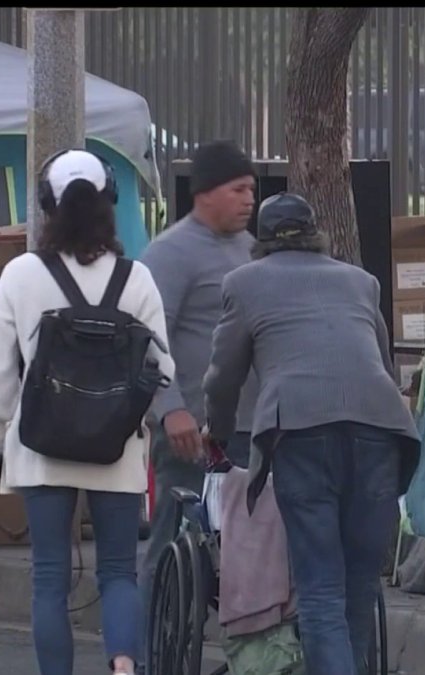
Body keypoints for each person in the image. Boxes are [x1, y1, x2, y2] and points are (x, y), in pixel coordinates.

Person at [203, 192, 420, 675]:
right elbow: (381, 366)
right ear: (315, 231)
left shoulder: (244, 282)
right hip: (381, 431)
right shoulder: (361, 283)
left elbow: (223, 378)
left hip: (302, 433)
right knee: (359, 586)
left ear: (261, 240)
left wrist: (215, 433)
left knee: (320, 588)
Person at [0, 149, 175, 675]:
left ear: (47, 205)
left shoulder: (21, 274)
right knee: (117, 571)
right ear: (110, 204)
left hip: (41, 447)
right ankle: (125, 666)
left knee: (48, 577)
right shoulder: (137, 278)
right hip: (116, 448)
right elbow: (163, 369)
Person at [138, 139, 259, 617]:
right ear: (205, 193)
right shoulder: (170, 252)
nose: (249, 199)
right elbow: (147, 336)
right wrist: (170, 409)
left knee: (248, 549)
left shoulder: (253, 250)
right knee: (173, 542)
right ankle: (151, 653)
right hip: (190, 427)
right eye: (238, 189)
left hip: (248, 425)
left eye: (252, 189)